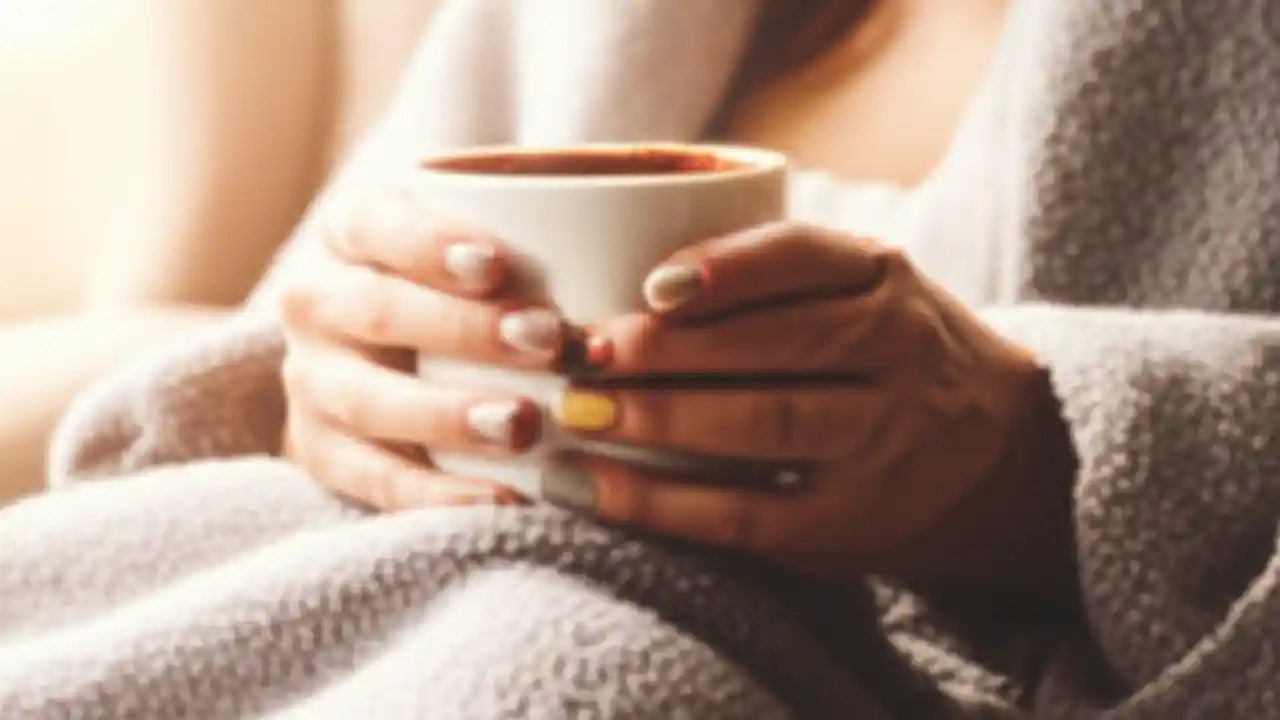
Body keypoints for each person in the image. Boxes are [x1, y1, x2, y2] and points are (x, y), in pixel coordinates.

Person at [2, 0, 1276, 716]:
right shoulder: (592, 22)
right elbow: (316, 317)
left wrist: (1034, 458)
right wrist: (340, 397)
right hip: (400, 597)